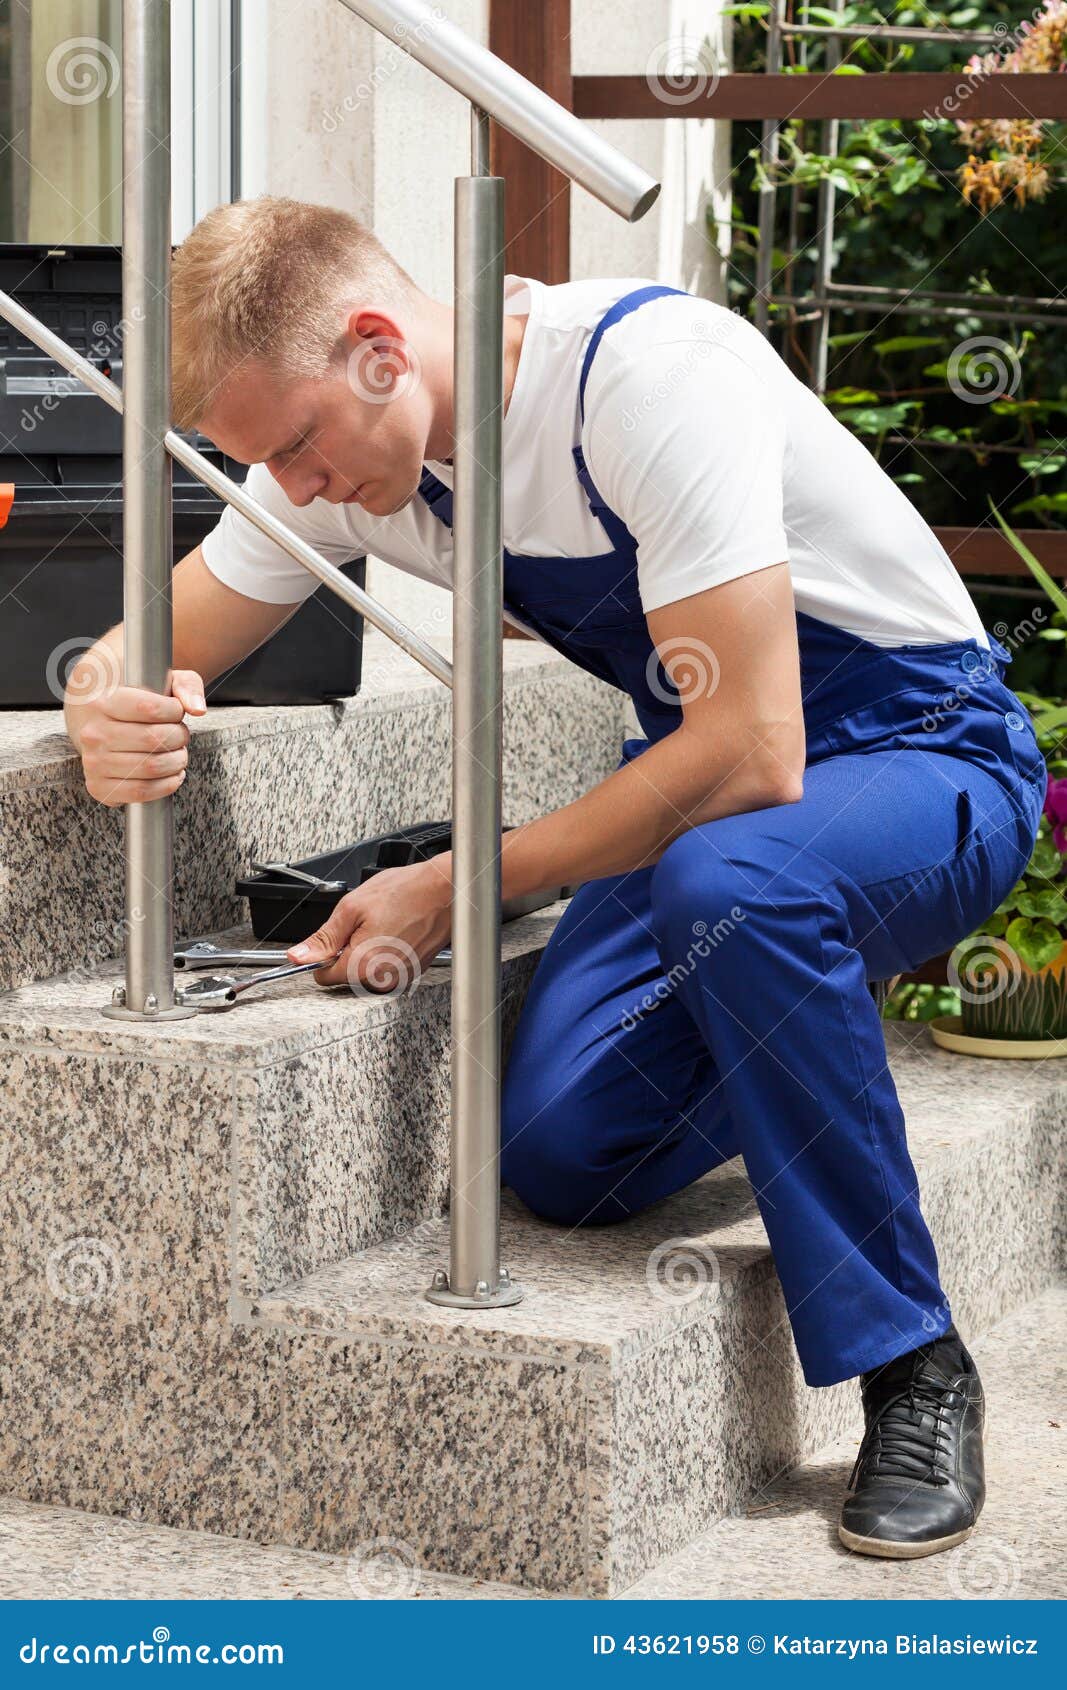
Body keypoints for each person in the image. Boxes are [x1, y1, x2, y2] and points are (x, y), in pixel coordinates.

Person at [64, 196, 1046, 1560]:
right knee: (565, 1150)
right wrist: (103, 703)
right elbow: (149, 634)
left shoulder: (646, 378)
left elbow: (754, 747)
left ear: (378, 350)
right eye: (260, 462)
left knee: (744, 887)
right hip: (712, 821)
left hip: (920, 755)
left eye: (291, 446)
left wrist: (463, 882)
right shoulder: (360, 464)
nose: (293, 487)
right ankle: (794, 1005)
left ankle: (912, 1362)